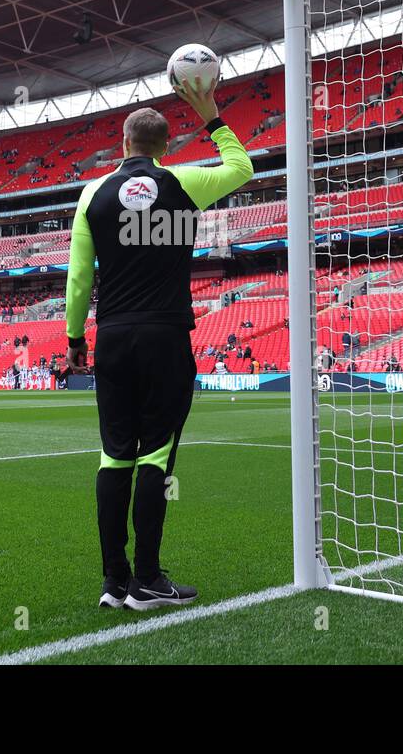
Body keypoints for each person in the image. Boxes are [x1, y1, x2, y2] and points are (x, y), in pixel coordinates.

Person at [65, 78, 253, 611]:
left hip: (115, 338)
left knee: (113, 457)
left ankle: (113, 582)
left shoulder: (91, 194)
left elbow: (79, 279)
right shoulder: (183, 182)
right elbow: (242, 168)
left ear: (123, 144)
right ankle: (147, 579)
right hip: (166, 335)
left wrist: (75, 337)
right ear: (165, 148)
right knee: (156, 454)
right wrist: (212, 114)